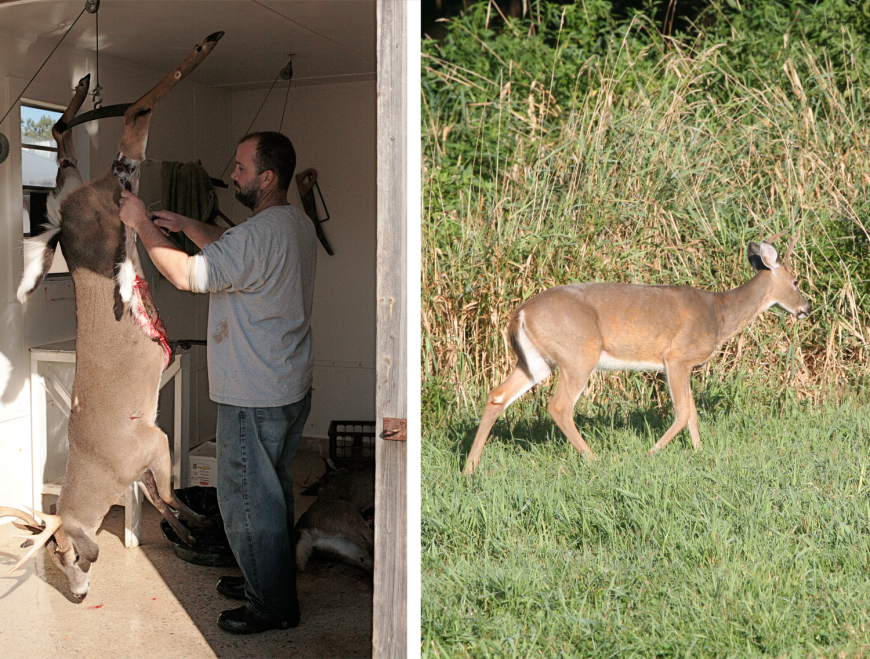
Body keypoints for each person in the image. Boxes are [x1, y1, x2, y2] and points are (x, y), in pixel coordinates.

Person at [118, 131, 317, 635]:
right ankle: (266, 578)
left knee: (248, 500)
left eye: (241, 168)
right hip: (288, 387)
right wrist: (187, 225)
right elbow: (234, 252)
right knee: (272, 492)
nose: (232, 174)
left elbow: (188, 275)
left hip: (255, 394)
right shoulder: (292, 223)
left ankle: (271, 604)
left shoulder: (257, 235)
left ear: (266, 178)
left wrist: (141, 223)